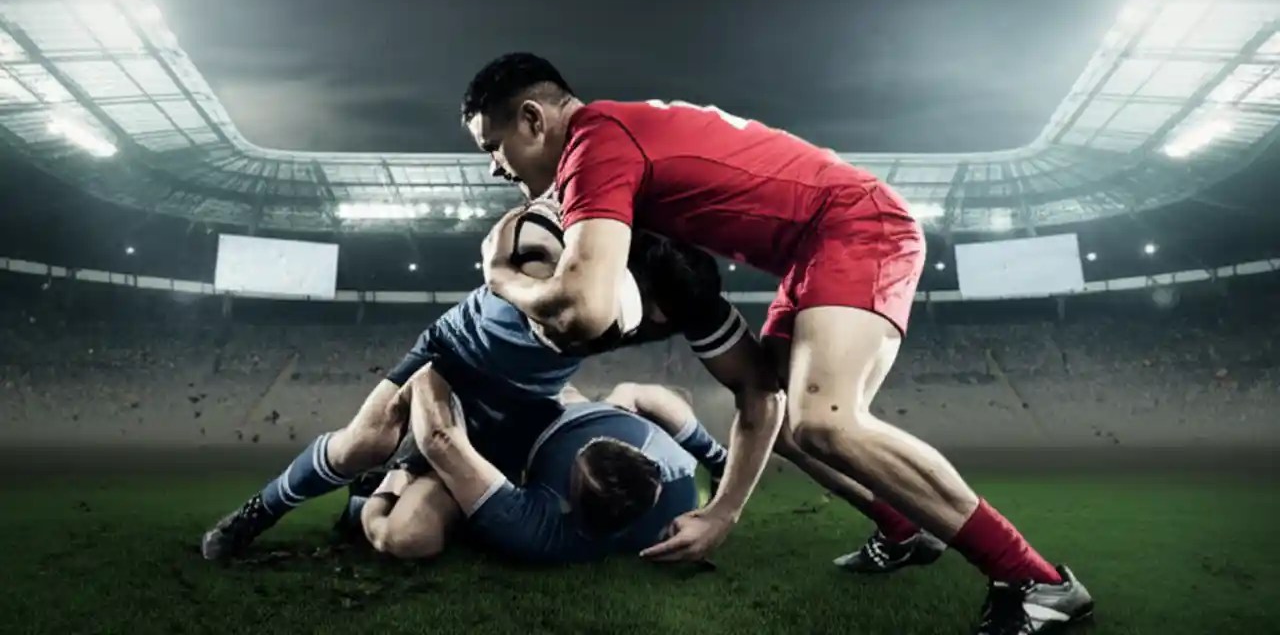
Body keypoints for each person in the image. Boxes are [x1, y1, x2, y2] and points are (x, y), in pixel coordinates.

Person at [461, 53, 1091, 634]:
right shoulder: (614, 149)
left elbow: (585, 307)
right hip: (810, 251)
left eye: (494, 146)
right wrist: (722, 512)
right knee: (789, 420)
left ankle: (1035, 580)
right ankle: (903, 529)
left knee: (827, 420)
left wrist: (503, 278)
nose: (495, 166)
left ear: (532, 119)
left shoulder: (594, 145)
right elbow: (752, 392)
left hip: (850, 224)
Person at [201, 210, 778, 562]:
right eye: (651, 319)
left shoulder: (686, 302)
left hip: (527, 401)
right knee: (367, 441)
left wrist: (730, 494)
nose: (650, 331)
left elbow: (756, 386)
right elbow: (521, 228)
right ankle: (258, 512)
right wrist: (505, 265)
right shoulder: (564, 254)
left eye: (661, 325)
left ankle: (392, 488)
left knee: (418, 535)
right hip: (456, 355)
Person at [357, 375, 728, 563]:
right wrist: (716, 459)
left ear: (570, 498)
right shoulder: (678, 487)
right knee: (642, 395)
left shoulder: (542, 529)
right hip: (564, 401)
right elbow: (637, 392)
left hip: (494, 438)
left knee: (406, 537)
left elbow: (442, 440)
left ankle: (382, 485)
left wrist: (431, 368)